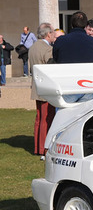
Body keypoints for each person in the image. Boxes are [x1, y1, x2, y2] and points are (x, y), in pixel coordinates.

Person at [29, 23, 57, 156]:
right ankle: (43, 148)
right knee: (46, 118)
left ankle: (37, 147)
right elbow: (50, 66)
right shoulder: (47, 49)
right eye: (52, 32)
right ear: (48, 34)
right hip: (45, 87)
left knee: (39, 118)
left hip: (36, 86)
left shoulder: (33, 47)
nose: (53, 35)